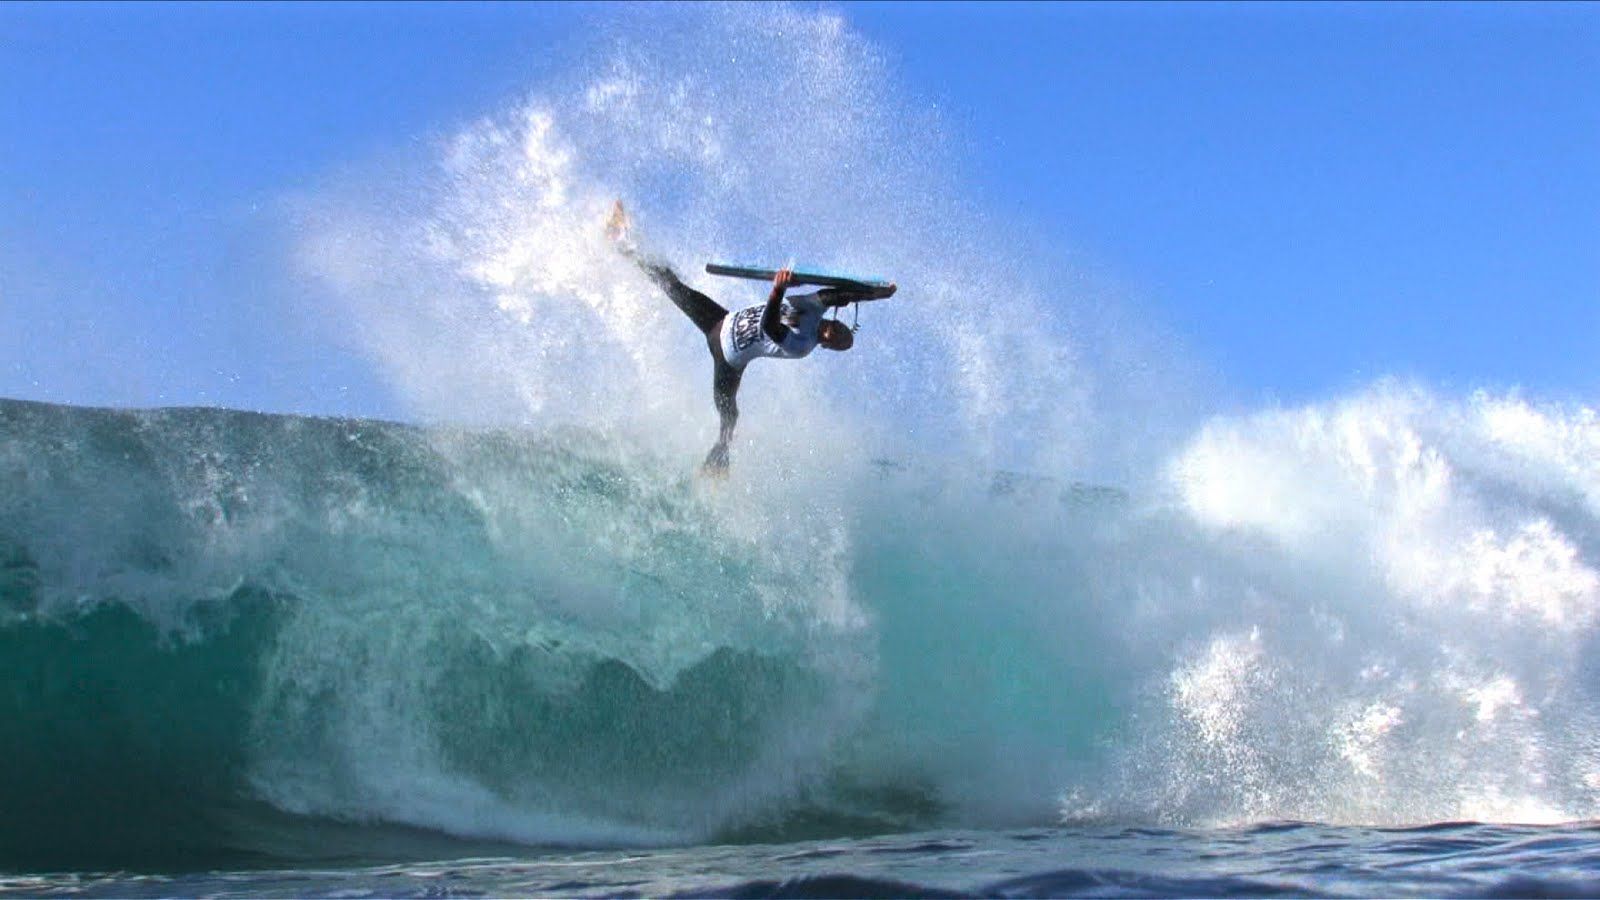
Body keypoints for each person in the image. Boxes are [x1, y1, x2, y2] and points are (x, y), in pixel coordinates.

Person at [606, 201, 858, 475]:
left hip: (728, 360)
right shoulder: (813, 309)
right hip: (719, 322)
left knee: (729, 416)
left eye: (838, 341)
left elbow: (770, 326)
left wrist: (778, 291)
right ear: (838, 321)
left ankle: (717, 459)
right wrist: (864, 294)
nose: (839, 333)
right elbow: (832, 294)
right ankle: (622, 241)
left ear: (828, 345)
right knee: (672, 285)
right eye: (843, 331)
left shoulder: (803, 345)